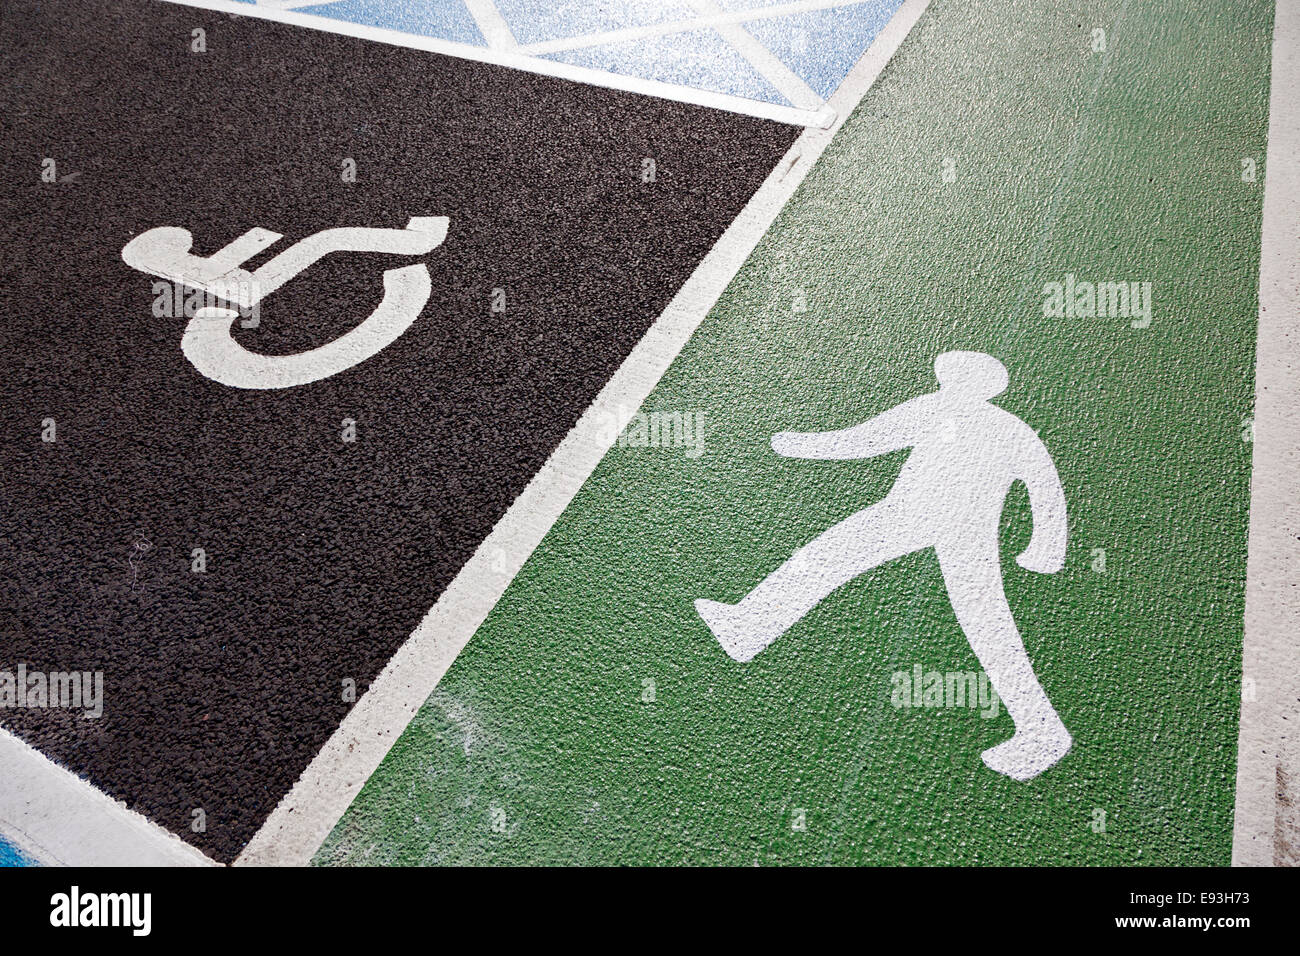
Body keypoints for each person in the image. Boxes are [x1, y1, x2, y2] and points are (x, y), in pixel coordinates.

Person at [695, 351, 1072, 780]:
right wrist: (1044, 550)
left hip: (936, 521)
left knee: (983, 621)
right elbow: (867, 439)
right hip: (927, 518)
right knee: (829, 560)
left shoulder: (988, 422)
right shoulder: (982, 419)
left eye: (957, 374)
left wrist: (1047, 549)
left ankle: (1041, 731)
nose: (949, 379)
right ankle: (747, 626)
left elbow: (1043, 485)